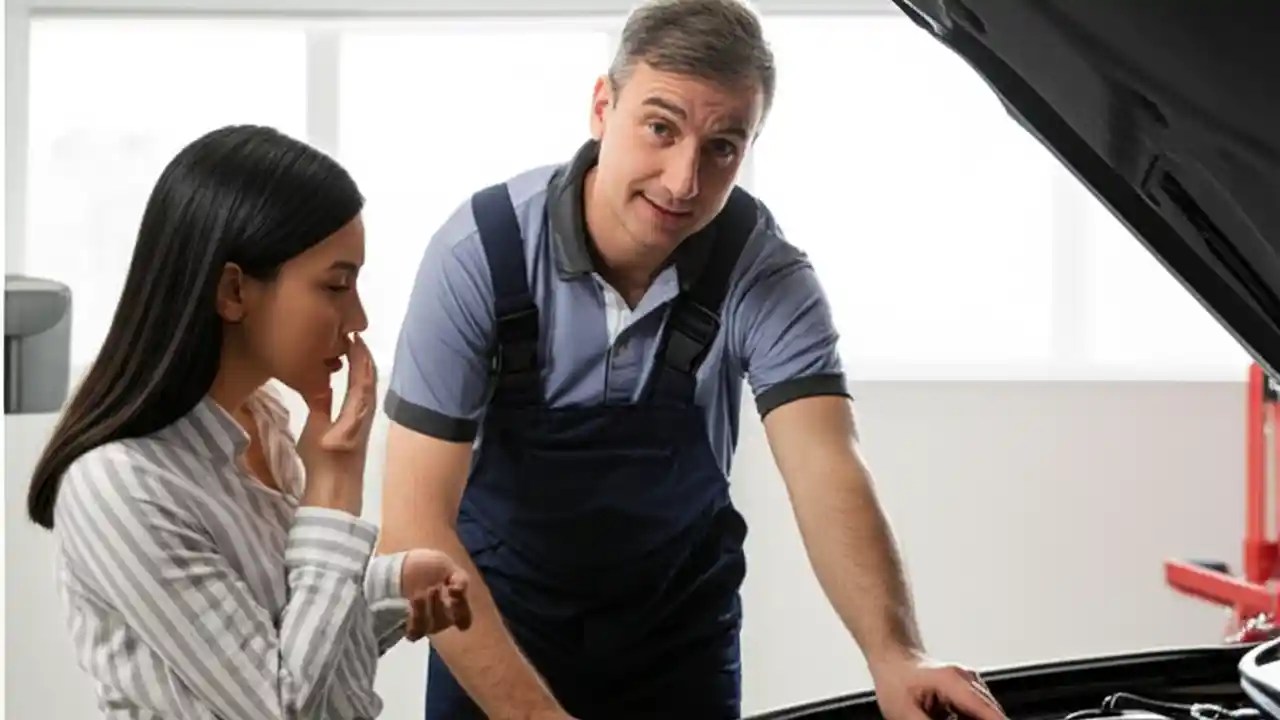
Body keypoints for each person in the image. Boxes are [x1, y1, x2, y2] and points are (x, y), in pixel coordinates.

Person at [376, 1, 1007, 718]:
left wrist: (895, 653)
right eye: (660, 128)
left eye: (722, 148)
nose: (683, 181)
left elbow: (826, 463)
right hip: (493, 628)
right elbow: (414, 522)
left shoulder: (764, 273)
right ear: (601, 107)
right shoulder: (479, 255)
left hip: (677, 642)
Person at [26, 124, 474, 720]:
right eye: (336, 285)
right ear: (234, 290)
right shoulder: (119, 485)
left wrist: (391, 588)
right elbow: (281, 703)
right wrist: (333, 491)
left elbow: (290, 635)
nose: (357, 317)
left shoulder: (264, 423)